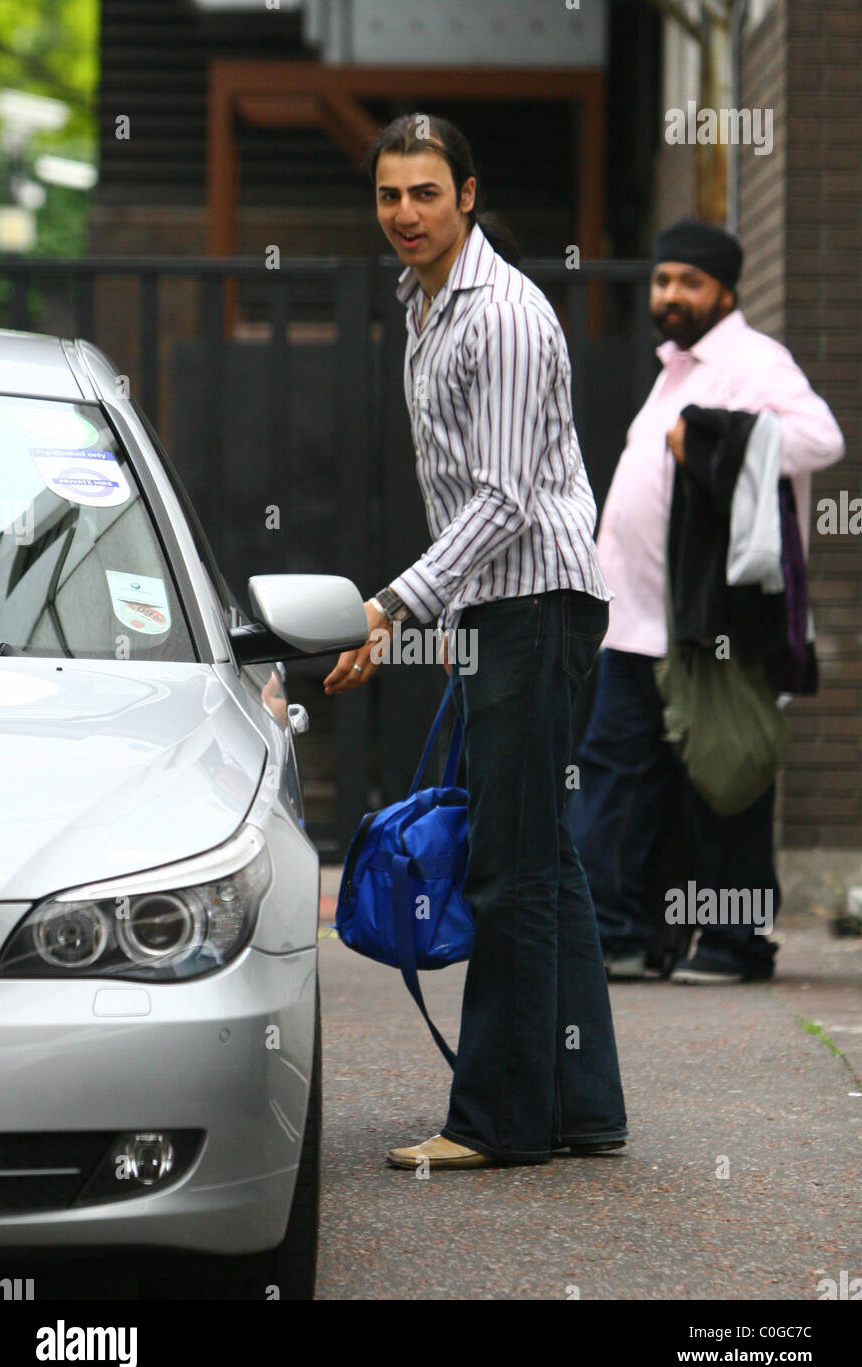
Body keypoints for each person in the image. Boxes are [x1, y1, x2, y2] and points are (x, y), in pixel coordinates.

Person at [323, 113, 627, 1170]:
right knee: (543, 858)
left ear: (468, 195)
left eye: (425, 193)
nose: (405, 213)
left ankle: (493, 1120)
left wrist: (392, 605)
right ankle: (584, 1107)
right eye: (388, 194)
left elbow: (500, 500)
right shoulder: (426, 304)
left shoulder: (497, 314)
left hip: (532, 601)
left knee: (509, 869)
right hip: (509, 605)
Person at [569, 219, 845, 984]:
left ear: (725, 289)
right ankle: (617, 933)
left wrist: (720, 437)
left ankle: (733, 944)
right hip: (633, 620)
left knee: (726, 780)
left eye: (689, 282)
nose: (671, 294)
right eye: (662, 281)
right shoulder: (673, 370)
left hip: (711, 623)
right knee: (617, 774)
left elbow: (822, 441)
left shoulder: (755, 362)